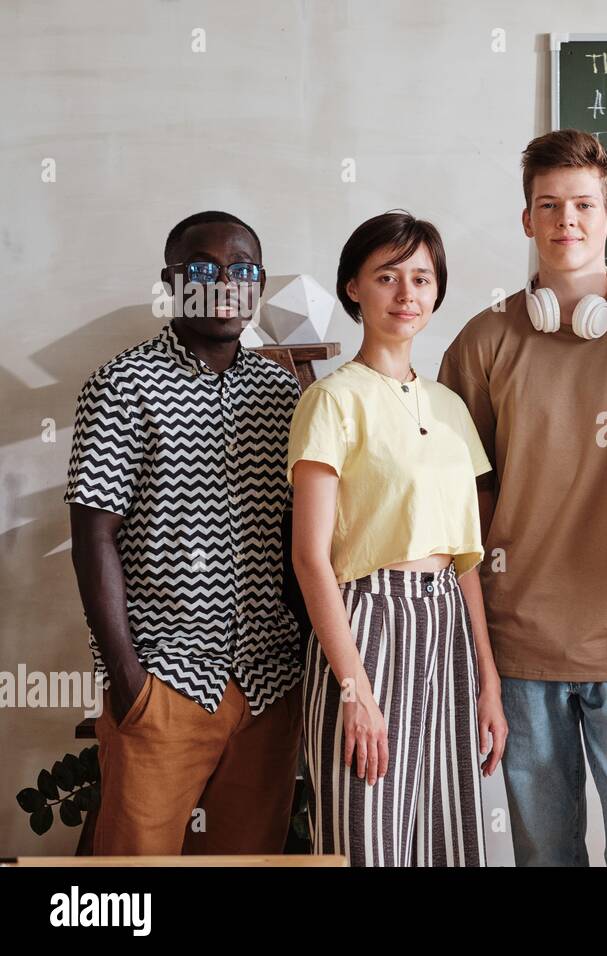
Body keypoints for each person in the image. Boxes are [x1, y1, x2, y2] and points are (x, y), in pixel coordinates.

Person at [438, 129, 607, 867]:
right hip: (518, 644)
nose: (567, 221)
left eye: (584, 204)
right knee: (543, 853)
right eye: (549, 205)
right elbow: (462, 499)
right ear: (527, 219)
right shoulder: (481, 341)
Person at [66, 211, 304, 854]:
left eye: (243, 270)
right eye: (203, 269)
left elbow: (297, 541)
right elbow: (93, 537)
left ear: (258, 286)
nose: (224, 283)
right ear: (171, 281)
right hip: (164, 681)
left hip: (269, 686)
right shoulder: (123, 385)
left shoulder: (284, 395)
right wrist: (128, 680)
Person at [288, 211, 506, 866]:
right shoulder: (332, 401)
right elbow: (310, 557)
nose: (407, 294)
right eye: (387, 277)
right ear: (354, 287)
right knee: (366, 837)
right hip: (367, 626)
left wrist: (488, 682)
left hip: (447, 630)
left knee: (444, 834)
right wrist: (353, 690)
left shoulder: (450, 407)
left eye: (421, 278)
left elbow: (465, 558)